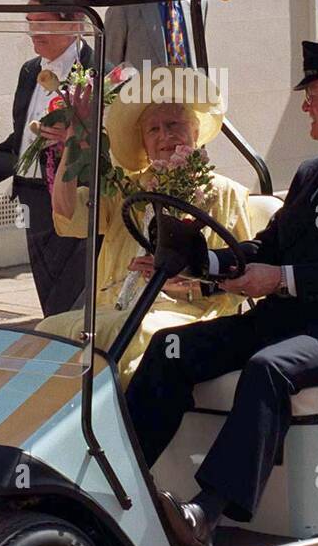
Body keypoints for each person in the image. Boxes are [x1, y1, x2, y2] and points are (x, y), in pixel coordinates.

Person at [124, 41, 318, 546]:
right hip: (289, 317)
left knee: (269, 369)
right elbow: (267, 246)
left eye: (312, 95)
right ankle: (116, 485)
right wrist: (204, 264)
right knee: (172, 348)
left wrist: (282, 279)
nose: (305, 106)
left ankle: (207, 513)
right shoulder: (315, 172)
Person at [37, 67, 252, 385]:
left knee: (126, 333)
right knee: (47, 333)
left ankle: (111, 427)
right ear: (144, 143)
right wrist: (71, 146)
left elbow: (243, 276)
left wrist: (182, 279)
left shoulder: (224, 192)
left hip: (187, 313)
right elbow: (67, 215)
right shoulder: (127, 189)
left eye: (174, 125)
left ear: (194, 131)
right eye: (153, 129)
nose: (165, 136)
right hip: (116, 308)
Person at [0, 7, 92, 317]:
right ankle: (59, 354)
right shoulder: (29, 72)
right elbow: (21, 142)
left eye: (42, 22)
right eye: (30, 22)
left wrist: (75, 138)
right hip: (32, 200)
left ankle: (80, 356)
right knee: (50, 299)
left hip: (77, 199)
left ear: (75, 23)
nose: (33, 32)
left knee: (76, 296)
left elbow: (111, 147)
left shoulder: (98, 71)